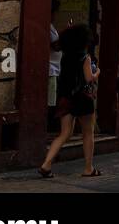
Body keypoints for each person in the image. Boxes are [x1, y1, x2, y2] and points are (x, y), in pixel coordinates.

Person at [39, 23, 100, 179]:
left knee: (64, 133)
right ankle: (88, 168)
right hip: (82, 99)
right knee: (88, 132)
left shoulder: (65, 57)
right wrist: (96, 73)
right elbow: (88, 78)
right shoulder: (85, 58)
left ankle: (46, 164)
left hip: (65, 97)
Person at [47, 0, 62, 131]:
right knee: (50, 102)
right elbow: (56, 46)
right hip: (50, 69)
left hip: (54, 69)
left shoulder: (51, 27)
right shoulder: (48, 27)